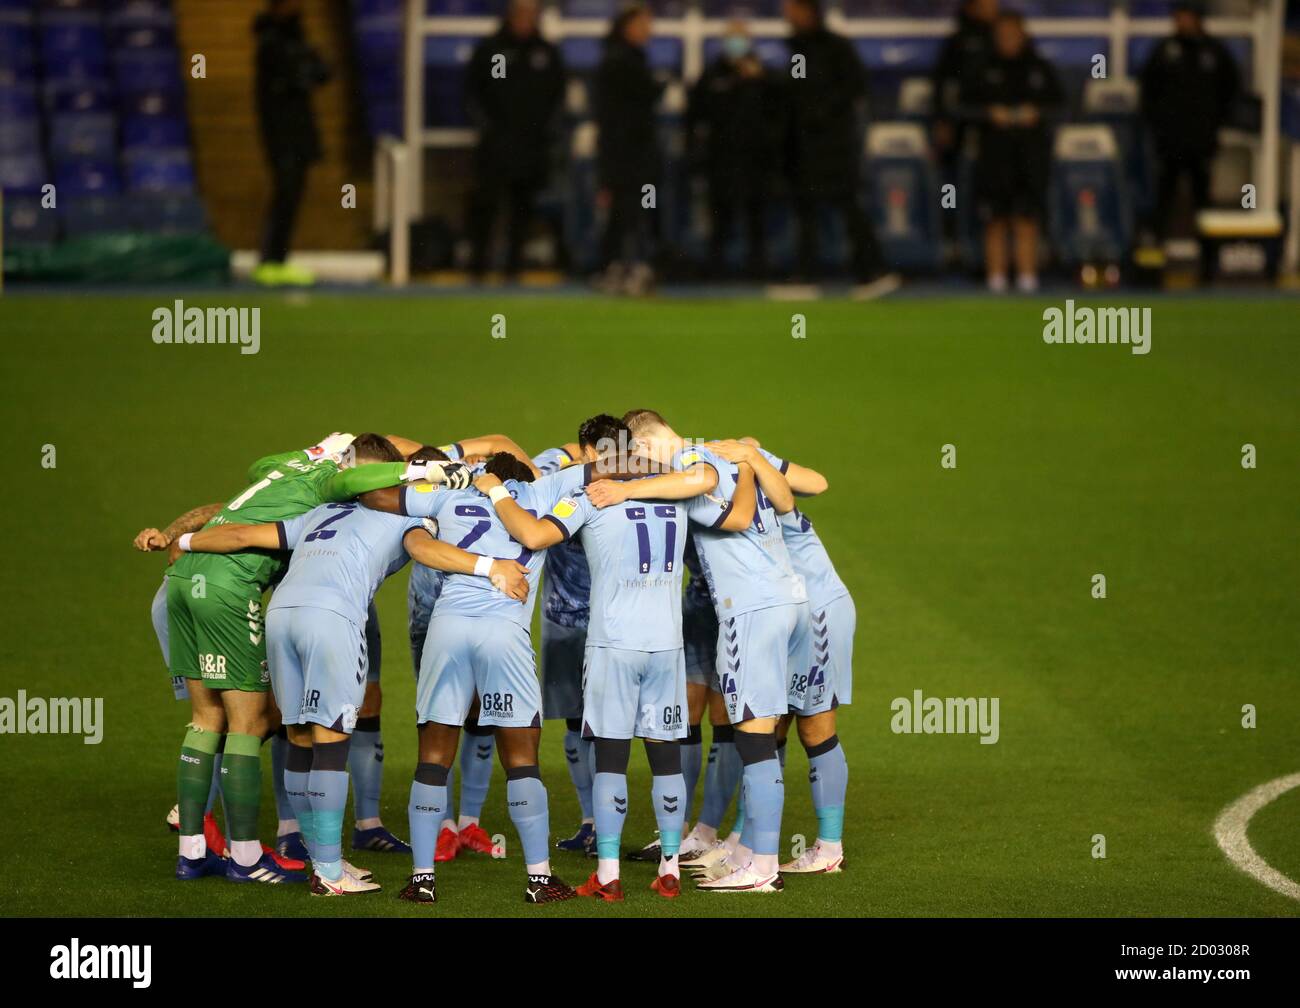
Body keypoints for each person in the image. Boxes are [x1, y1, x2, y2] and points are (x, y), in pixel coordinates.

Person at [175, 457, 527, 896]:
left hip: (281, 616)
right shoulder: (408, 516)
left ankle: (322, 856)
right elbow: (423, 550)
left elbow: (243, 534)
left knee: (299, 735)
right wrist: (487, 567)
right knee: (331, 740)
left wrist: (184, 540)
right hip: (332, 619)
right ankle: (327, 872)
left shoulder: (320, 512)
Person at [478, 417, 758, 901]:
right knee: (665, 755)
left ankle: (608, 875)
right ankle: (669, 867)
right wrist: (748, 463)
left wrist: (494, 491)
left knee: (611, 757)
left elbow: (533, 535)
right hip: (667, 645)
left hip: (613, 644)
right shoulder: (677, 486)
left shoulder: (588, 491)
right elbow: (736, 517)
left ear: (594, 452)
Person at [586, 413, 808, 894]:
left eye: (638, 454)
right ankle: (749, 851)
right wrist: (750, 461)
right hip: (788, 600)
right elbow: (791, 497)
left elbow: (724, 503)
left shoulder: (693, 464)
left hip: (752, 608)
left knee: (753, 736)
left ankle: (763, 865)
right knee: (760, 729)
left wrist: (624, 492)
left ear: (645, 443)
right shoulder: (728, 454)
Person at [782, 0, 895, 292]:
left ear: (809, 11)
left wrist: (823, 112)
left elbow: (854, 87)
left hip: (835, 144)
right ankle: (806, 276)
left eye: (793, 9)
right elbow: (795, 90)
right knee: (805, 209)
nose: (788, 14)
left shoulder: (836, 47)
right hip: (804, 145)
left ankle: (873, 272)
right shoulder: (796, 48)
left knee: (848, 205)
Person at [464, 0, 566, 279]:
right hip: (496, 145)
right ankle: (478, 268)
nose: (526, 19)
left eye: (531, 13)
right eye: (521, 13)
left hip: (532, 146)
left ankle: (513, 269)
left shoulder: (545, 52)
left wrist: (545, 131)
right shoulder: (491, 50)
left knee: (523, 209)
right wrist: (489, 128)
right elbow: (473, 93)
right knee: (486, 206)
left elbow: (558, 96)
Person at [966, 10, 1062, 293]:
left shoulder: (1039, 67)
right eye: (1002, 34)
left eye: (1012, 34)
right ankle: (995, 279)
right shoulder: (982, 67)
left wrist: (1037, 113)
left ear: (1023, 34)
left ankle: (1027, 278)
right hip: (993, 154)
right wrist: (989, 113)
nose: (1008, 40)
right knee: (994, 218)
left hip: (1030, 153)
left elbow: (1060, 105)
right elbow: (960, 106)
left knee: (1026, 216)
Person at [686, 19, 782, 279]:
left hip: (756, 156)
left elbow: (781, 107)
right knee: (720, 217)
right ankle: (715, 269)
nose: (736, 44)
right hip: (721, 157)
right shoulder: (712, 73)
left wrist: (759, 78)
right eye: (732, 38)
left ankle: (758, 268)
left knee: (756, 216)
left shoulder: (764, 74)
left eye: (741, 38)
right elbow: (694, 112)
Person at [1139, 0, 1239, 242]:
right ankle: (1155, 259)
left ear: (1197, 17)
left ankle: (1208, 262)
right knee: (1163, 199)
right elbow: (1147, 91)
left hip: (1202, 141)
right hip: (1169, 142)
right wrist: (1157, 126)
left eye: (1186, 15)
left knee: (1203, 200)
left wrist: (1217, 126)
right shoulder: (1164, 50)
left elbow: (1231, 91)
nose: (1182, 21)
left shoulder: (1215, 51)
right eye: (1178, 15)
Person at [251, 0, 330, 287]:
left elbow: (321, 74)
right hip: (281, 134)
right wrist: (306, 64)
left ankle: (277, 259)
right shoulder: (271, 43)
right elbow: (301, 76)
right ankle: (270, 260)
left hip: (296, 132)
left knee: (292, 196)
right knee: (285, 195)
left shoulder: (295, 38)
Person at [593, 3, 664, 295]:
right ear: (628, 26)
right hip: (625, 155)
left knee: (637, 212)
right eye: (643, 24)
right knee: (625, 213)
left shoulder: (631, 59)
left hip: (636, 153)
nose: (649, 30)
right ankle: (617, 269)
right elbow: (619, 113)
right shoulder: (619, 62)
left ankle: (628, 267)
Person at [930, 0, 998, 170]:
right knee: (949, 174)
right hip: (959, 115)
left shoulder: (1002, 40)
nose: (992, 6)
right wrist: (942, 120)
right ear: (971, 7)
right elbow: (941, 82)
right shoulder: (957, 41)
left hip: (992, 119)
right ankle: (949, 198)